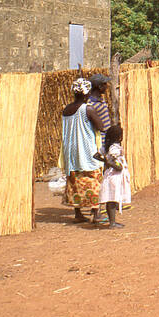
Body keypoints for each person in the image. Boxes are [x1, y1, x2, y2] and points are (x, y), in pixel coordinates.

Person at [61, 76, 105, 225]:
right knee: (93, 179)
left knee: (75, 181)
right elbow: (101, 126)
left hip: (71, 151)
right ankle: (96, 213)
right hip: (86, 149)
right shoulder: (87, 109)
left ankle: (78, 213)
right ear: (86, 94)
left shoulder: (66, 109)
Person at [98, 123, 131, 229]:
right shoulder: (116, 148)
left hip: (109, 174)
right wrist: (118, 167)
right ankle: (112, 223)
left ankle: (112, 222)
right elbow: (111, 160)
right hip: (115, 176)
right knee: (112, 199)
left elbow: (96, 155)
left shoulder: (106, 147)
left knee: (110, 198)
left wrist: (105, 160)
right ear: (120, 137)